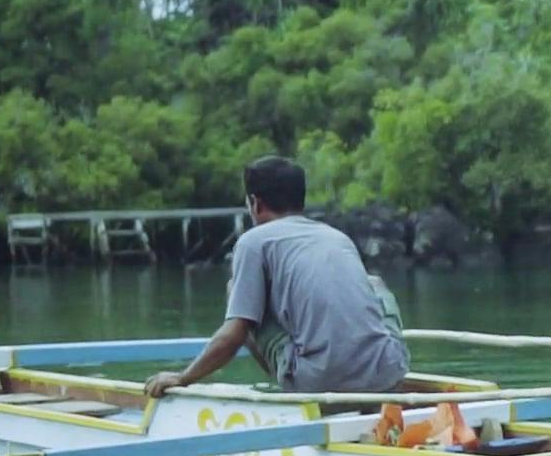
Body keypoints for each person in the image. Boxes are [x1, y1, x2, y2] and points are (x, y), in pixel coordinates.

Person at [143, 156, 409, 398]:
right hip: (386, 373)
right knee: (374, 283)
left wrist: (183, 377)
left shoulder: (253, 241)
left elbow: (235, 334)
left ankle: (291, 385)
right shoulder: (337, 236)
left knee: (236, 293)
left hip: (318, 382)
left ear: (255, 203)